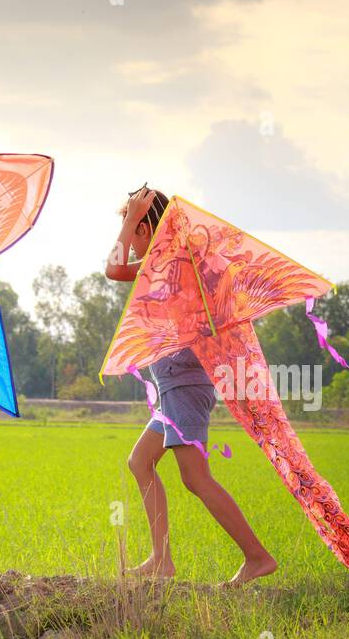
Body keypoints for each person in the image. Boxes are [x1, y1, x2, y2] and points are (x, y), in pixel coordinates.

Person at [105, 185, 276, 586]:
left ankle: (257, 557)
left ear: (149, 228)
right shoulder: (166, 262)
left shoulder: (172, 261)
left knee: (195, 478)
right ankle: (161, 559)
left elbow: (113, 270)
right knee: (140, 462)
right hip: (172, 387)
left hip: (183, 383)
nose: (130, 244)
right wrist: (134, 220)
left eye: (135, 233)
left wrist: (130, 218)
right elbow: (121, 267)